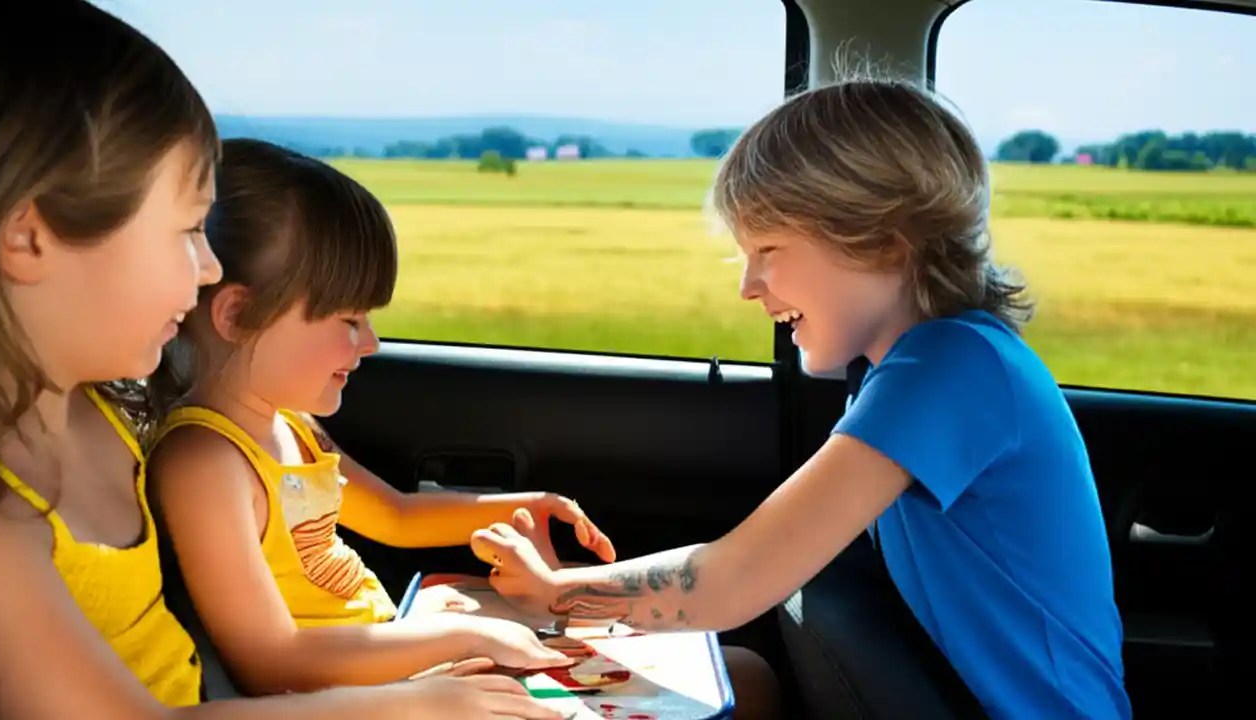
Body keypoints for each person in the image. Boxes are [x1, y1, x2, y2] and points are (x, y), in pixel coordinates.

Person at [467, 77, 1133, 720]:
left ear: (882, 239)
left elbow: (738, 577)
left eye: (769, 248)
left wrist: (559, 594)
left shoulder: (953, 368)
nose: (748, 286)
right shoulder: (908, 369)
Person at [0, 2, 559, 717]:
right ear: (28, 238)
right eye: (188, 229)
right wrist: (416, 703)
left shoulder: (117, 413)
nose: (208, 267)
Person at [144, 137, 617, 694]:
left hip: (380, 653)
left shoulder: (291, 427)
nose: (369, 342)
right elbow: (271, 660)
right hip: (334, 697)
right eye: (348, 320)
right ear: (238, 313)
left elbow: (395, 516)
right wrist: (462, 637)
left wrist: (526, 505)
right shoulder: (204, 462)